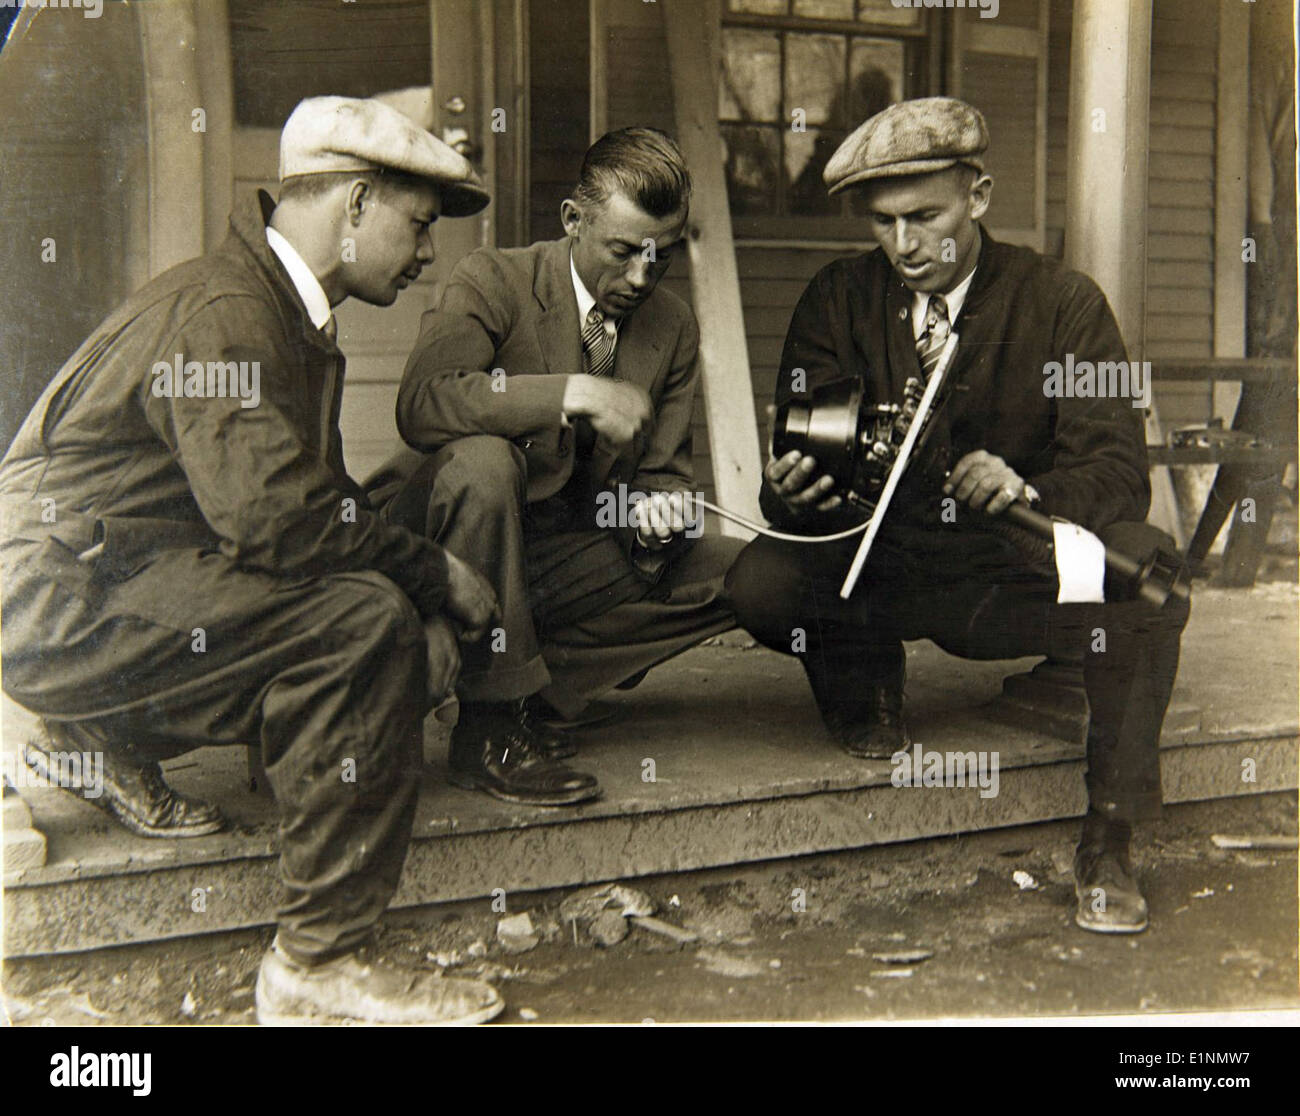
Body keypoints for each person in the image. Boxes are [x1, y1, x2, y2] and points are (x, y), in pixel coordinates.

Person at [0, 95, 505, 1024]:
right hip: (57, 597)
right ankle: (320, 962)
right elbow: (281, 523)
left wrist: (410, 583)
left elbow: (313, 506)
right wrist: (434, 582)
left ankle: (99, 739)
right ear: (353, 206)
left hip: (100, 576)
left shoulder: (276, 307)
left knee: (363, 604)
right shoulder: (227, 314)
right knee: (360, 627)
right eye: (419, 225)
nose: (430, 254)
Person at [724, 98, 1192, 935]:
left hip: (1007, 577)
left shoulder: (1065, 301)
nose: (904, 246)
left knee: (1145, 571)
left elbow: (1121, 469)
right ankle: (862, 680)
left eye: (925, 217)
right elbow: (796, 471)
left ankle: (1110, 835)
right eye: (883, 222)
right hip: (889, 573)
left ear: (977, 195)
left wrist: (1029, 493)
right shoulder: (835, 300)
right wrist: (791, 491)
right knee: (762, 580)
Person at [368, 128, 744, 808]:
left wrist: (658, 513)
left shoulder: (672, 326)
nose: (640, 278)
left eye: (659, 257)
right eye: (623, 252)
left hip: (551, 562)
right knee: (485, 462)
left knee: (741, 574)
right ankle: (487, 730)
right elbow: (424, 402)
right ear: (574, 221)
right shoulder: (493, 278)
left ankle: (540, 691)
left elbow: (662, 472)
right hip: (442, 551)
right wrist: (569, 392)